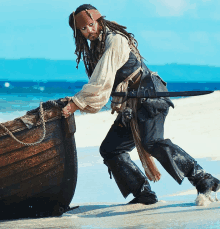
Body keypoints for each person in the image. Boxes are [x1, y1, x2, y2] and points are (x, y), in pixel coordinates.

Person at [62, 4, 220, 205]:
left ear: (98, 20)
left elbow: (101, 81)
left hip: (150, 98)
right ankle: (144, 194)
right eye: (83, 29)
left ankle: (205, 179)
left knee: (151, 142)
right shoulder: (97, 47)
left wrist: (76, 103)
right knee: (111, 149)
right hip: (131, 106)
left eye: (91, 25)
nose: (89, 31)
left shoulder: (115, 40)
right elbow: (104, 82)